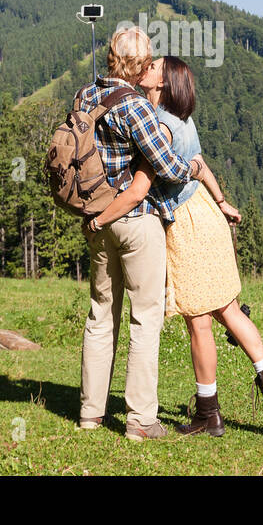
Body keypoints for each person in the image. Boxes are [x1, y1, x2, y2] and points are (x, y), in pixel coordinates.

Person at [87, 56, 263, 437]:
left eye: (153, 67)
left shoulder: (161, 127)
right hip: (203, 212)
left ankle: (211, 413)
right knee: (225, 309)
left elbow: (140, 189)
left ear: (162, 83)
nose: (146, 68)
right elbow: (199, 164)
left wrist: (100, 219)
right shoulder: (181, 119)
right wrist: (221, 202)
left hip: (187, 223)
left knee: (199, 319)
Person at [74, 27, 205, 442]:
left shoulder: (84, 96)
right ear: (140, 65)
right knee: (144, 319)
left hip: (98, 220)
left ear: (112, 57)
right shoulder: (136, 107)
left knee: (100, 316)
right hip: (137, 219)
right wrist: (194, 170)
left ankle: (90, 414)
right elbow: (166, 166)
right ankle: (140, 420)